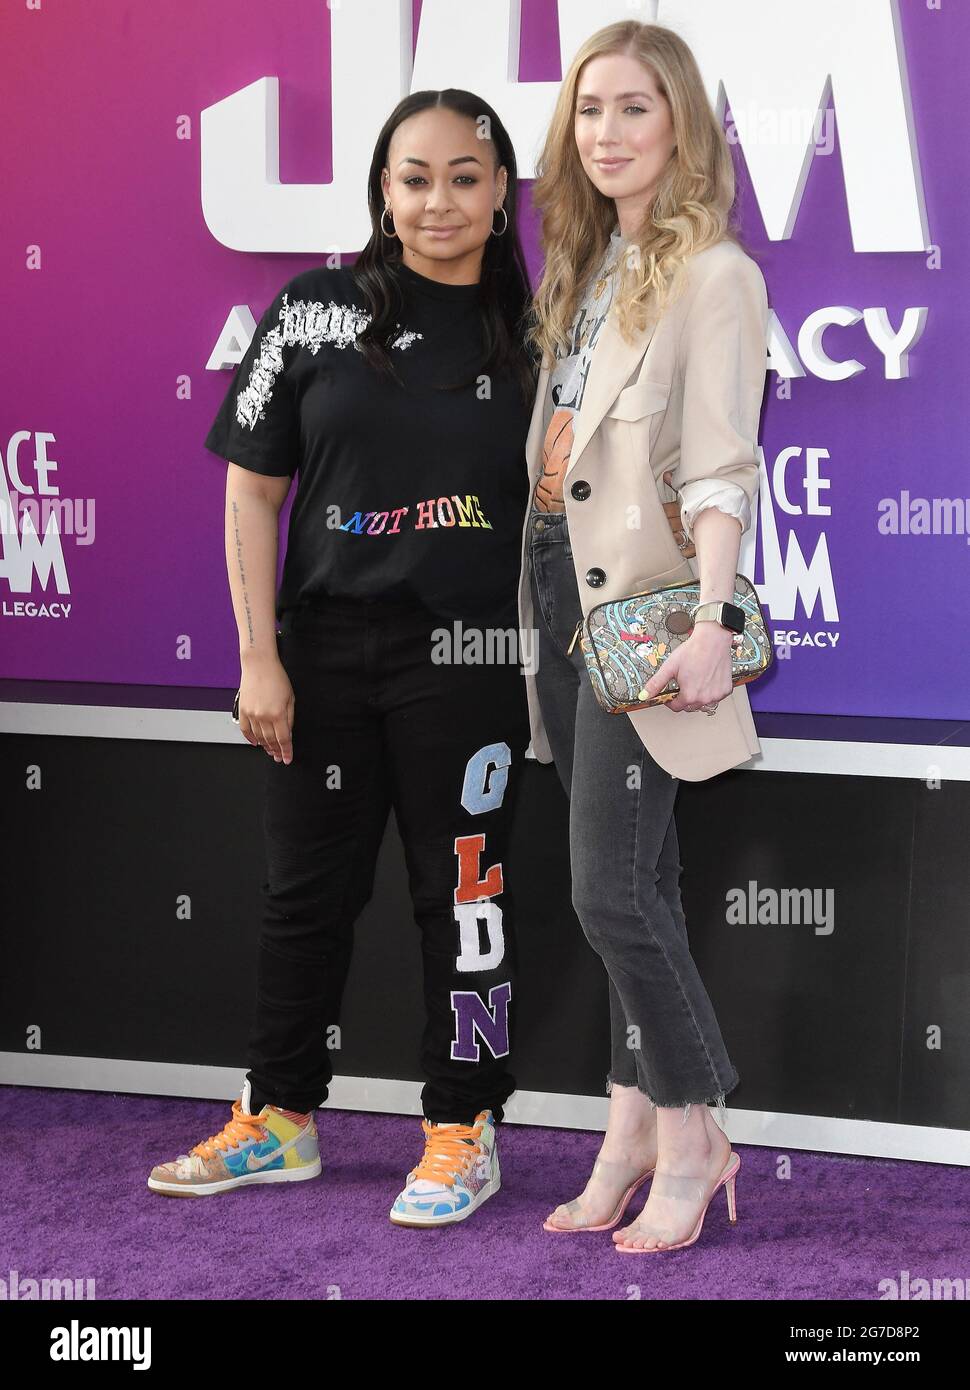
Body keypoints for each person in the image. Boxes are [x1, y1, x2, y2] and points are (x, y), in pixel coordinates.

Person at [147, 89, 537, 1227]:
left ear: (502, 188)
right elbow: (252, 488)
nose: (438, 201)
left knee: (465, 891)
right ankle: (279, 1119)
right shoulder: (313, 309)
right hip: (320, 652)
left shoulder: (544, 325)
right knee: (301, 897)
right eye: (413, 177)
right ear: (381, 188)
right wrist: (256, 656)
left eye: (464, 176)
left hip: (467, 658)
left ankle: (464, 1127)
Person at [518, 20, 769, 1251]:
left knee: (610, 890)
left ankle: (693, 1130)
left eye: (633, 108)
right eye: (589, 109)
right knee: (641, 882)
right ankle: (627, 1127)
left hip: (646, 614)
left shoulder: (712, 273)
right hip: (558, 590)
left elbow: (724, 465)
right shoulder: (587, 261)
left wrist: (717, 622)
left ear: (679, 125)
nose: (606, 133)